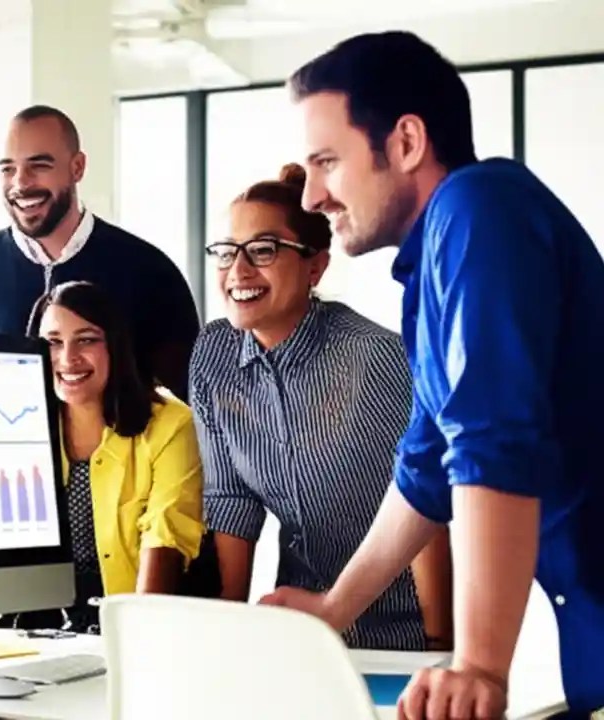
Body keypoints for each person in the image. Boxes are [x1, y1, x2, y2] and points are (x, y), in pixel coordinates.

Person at [259, 31, 604, 718]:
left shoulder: (479, 210)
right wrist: (335, 608)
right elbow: (428, 465)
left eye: (328, 161)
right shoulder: (437, 260)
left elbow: (491, 444)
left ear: (407, 142)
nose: (314, 196)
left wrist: (478, 666)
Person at [189, 163, 453, 652]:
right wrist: (218, 644)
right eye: (227, 252)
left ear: (316, 266)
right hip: (300, 630)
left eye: (263, 250)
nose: (238, 270)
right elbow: (231, 506)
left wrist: (439, 651)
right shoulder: (214, 354)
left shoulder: (375, 359)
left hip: (399, 634)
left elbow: (426, 509)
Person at [0, 105, 201, 400]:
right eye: (8, 169)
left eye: (39, 165)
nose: (20, 183)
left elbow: (191, 401)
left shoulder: (150, 271)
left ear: (77, 167)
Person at [8, 280, 204, 634]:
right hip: (35, 631)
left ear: (114, 344)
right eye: (53, 342)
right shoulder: (21, 422)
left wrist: (135, 643)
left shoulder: (171, 424)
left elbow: (165, 535)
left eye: (86, 339)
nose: (68, 358)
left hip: (129, 628)